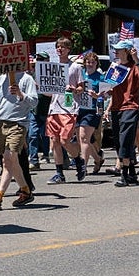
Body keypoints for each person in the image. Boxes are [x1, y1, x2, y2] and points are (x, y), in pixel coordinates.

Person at [0, 63, 39, 210]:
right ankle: (26, 190)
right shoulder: (1, 78)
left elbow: (34, 102)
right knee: (11, 161)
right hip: (1, 123)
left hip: (19, 123)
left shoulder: (27, 79)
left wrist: (21, 94)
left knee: (8, 158)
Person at [105, 40, 139, 187]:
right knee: (119, 142)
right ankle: (132, 174)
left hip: (130, 107)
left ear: (127, 51)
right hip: (116, 108)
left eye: (119, 50)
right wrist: (100, 93)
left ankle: (124, 175)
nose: (116, 52)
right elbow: (109, 88)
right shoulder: (115, 67)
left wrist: (136, 59)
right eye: (115, 49)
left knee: (125, 141)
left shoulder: (134, 67)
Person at [45, 37, 87, 185]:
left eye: (63, 47)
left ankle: (78, 160)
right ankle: (59, 173)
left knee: (64, 140)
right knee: (55, 140)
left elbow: (82, 88)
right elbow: (49, 91)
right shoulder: (52, 67)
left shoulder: (75, 67)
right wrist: (41, 87)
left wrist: (74, 89)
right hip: (54, 107)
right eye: (58, 47)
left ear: (69, 49)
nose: (60, 49)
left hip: (69, 107)